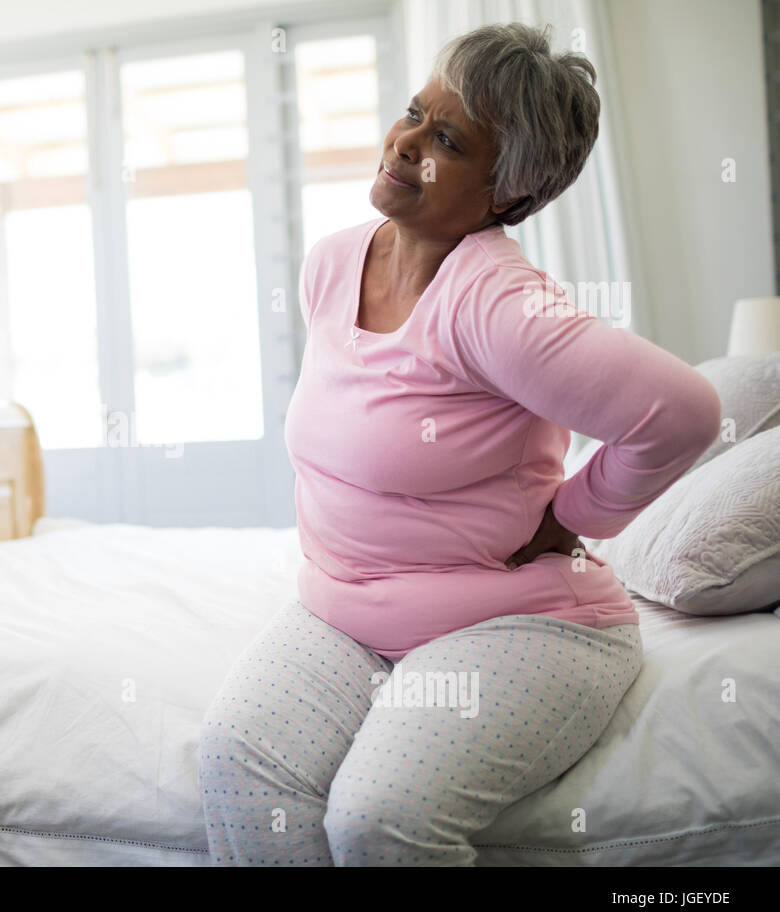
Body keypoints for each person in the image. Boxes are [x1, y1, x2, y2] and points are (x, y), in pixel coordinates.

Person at [197, 21, 721, 866]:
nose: (405, 142)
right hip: (342, 612)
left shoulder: (498, 306)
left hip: (520, 621)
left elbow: (685, 412)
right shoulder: (333, 265)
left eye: (447, 140)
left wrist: (572, 514)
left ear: (503, 195)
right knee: (236, 767)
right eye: (414, 112)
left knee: (376, 822)